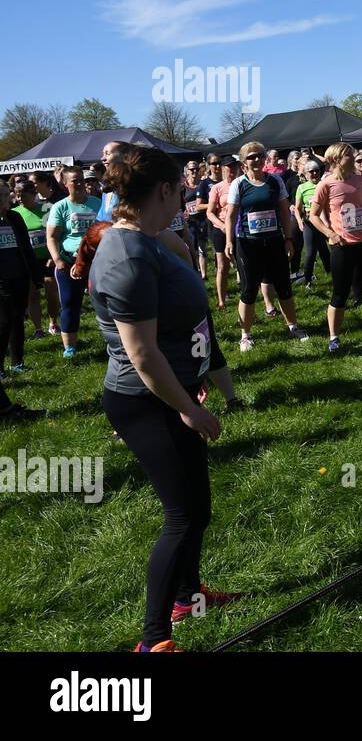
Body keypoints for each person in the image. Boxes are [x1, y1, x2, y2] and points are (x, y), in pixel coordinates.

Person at [88, 145, 237, 653]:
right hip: (148, 400)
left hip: (171, 391)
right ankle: (154, 641)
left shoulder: (145, 238)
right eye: (181, 190)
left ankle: (187, 594)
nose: (188, 198)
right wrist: (190, 409)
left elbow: (168, 257)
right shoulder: (125, 257)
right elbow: (144, 355)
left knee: (197, 507)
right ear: (166, 190)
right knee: (183, 514)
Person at [225, 142, 309, 351]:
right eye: (251, 157)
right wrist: (229, 241)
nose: (256, 160)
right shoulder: (239, 184)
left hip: (273, 241)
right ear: (244, 163)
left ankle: (293, 326)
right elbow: (231, 215)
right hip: (248, 244)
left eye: (259, 156)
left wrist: (289, 238)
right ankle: (245, 335)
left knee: (283, 286)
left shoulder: (275, 181)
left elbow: (283, 211)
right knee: (249, 290)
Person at [309, 143, 362, 355]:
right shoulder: (326, 184)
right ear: (336, 159)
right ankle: (334, 337)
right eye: (349, 155)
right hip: (342, 246)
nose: (354, 157)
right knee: (340, 294)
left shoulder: (359, 179)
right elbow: (313, 215)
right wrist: (330, 233)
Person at [45, 166, 98, 357]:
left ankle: (116, 341)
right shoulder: (61, 207)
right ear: (65, 184)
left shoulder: (96, 203)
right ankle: (70, 347)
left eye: (81, 179)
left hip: (96, 261)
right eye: (75, 180)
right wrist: (57, 259)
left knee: (106, 303)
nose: (80, 183)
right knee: (70, 303)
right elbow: (51, 236)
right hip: (69, 262)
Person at [0, 182, 43, 381]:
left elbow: (26, 248)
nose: (6, 200)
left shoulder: (14, 217)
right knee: (3, 321)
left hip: (19, 276)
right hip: (2, 280)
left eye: (6, 195)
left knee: (17, 319)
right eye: (2, 196)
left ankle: (17, 362)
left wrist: (35, 277)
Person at [13, 179, 58, 338]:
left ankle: (53, 322)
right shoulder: (15, 213)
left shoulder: (47, 209)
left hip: (47, 258)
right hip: (28, 260)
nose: (19, 199)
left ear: (33, 194)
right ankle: (38, 329)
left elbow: (56, 234)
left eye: (23, 195)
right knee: (32, 294)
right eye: (17, 196)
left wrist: (54, 255)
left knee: (52, 290)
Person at [205, 157, 238, 309]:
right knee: (222, 266)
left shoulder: (242, 183)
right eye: (228, 167)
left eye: (233, 167)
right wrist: (222, 225)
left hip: (240, 228)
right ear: (223, 169)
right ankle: (221, 301)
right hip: (221, 229)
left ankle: (250, 298)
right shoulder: (217, 188)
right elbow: (210, 212)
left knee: (244, 265)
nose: (231, 170)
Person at [293, 159, 331, 288]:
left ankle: (332, 273)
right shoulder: (302, 188)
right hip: (309, 223)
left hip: (325, 223)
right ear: (305, 174)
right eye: (311, 171)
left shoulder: (324, 184)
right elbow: (297, 209)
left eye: (316, 171)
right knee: (310, 253)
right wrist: (299, 221)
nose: (314, 173)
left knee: (326, 250)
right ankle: (308, 280)